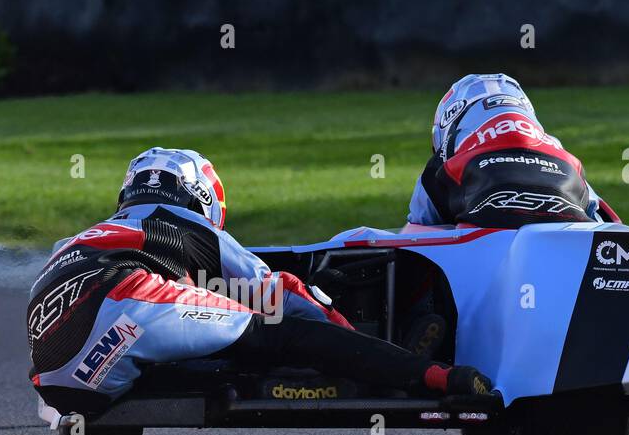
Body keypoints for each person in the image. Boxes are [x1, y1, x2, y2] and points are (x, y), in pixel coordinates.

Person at [28, 146, 492, 417]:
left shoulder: (83, 237)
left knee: (205, 327)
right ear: (201, 198)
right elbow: (279, 290)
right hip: (123, 303)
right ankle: (431, 376)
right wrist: (345, 339)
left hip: (56, 374)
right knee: (277, 328)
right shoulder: (185, 223)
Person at [408, 73, 623, 229]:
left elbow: (416, 232)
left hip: (483, 233)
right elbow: (611, 224)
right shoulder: (555, 146)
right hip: (567, 200)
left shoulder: (448, 154)